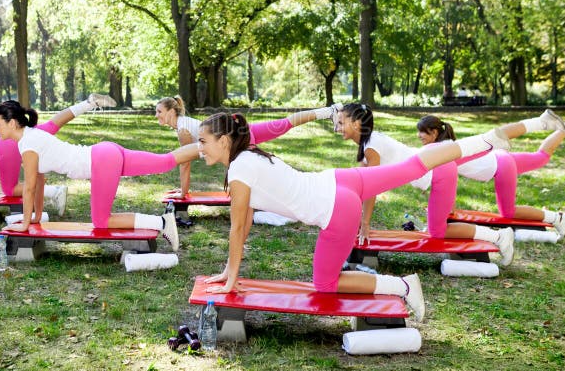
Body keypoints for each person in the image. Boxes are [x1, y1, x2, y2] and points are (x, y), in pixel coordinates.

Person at [191, 112, 512, 321]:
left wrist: (232, 277)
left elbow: (237, 228)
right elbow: (243, 222)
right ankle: (484, 141)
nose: (200, 148)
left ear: (223, 141)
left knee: (325, 284)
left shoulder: (239, 168)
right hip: (337, 180)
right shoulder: (249, 155)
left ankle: (402, 286)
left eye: (203, 142)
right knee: (411, 165)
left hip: (336, 208)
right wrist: (229, 270)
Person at [336, 104, 565, 265]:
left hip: (437, 168)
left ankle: (498, 237)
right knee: (487, 140)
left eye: (341, 121)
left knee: (438, 231)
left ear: (357, 123)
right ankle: (541, 122)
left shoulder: (372, 147)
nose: (337, 126)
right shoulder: (371, 142)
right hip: (434, 159)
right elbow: (363, 183)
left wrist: (365, 223)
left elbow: (371, 188)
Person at [0, 100, 201, 251]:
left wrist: (26, 223)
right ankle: (208, 145)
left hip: (101, 162)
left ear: (12, 123)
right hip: (104, 152)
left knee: (101, 221)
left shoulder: (28, 144)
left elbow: (28, 187)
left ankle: (162, 223)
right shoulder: (32, 136)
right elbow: (38, 181)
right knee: (164, 162)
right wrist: (36, 217)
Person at [415, 109, 565, 239]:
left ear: (434, 132)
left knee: (508, 212)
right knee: (540, 157)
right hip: (500, 158)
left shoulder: (441, 150)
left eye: (421, 132)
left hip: (501, 167)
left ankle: (556, 218)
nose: (418, 136)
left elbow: (442, 182)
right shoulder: (449, 145)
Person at [0, 94, 114, 216]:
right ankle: (89, 103)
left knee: (10, 190)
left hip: (3, 147)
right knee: (51, 125)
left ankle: (53, 192)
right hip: (4, 142)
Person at [155, 96, 341, 195]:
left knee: (258, 169)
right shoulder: (185, 122)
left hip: (238, 141)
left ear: (172, 111)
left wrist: (184, 194)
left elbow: (185, 163)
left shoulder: (182, 130)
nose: (156, 115)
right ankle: (329, 111)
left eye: (159, 111)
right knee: (286, 123)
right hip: (243, 131)